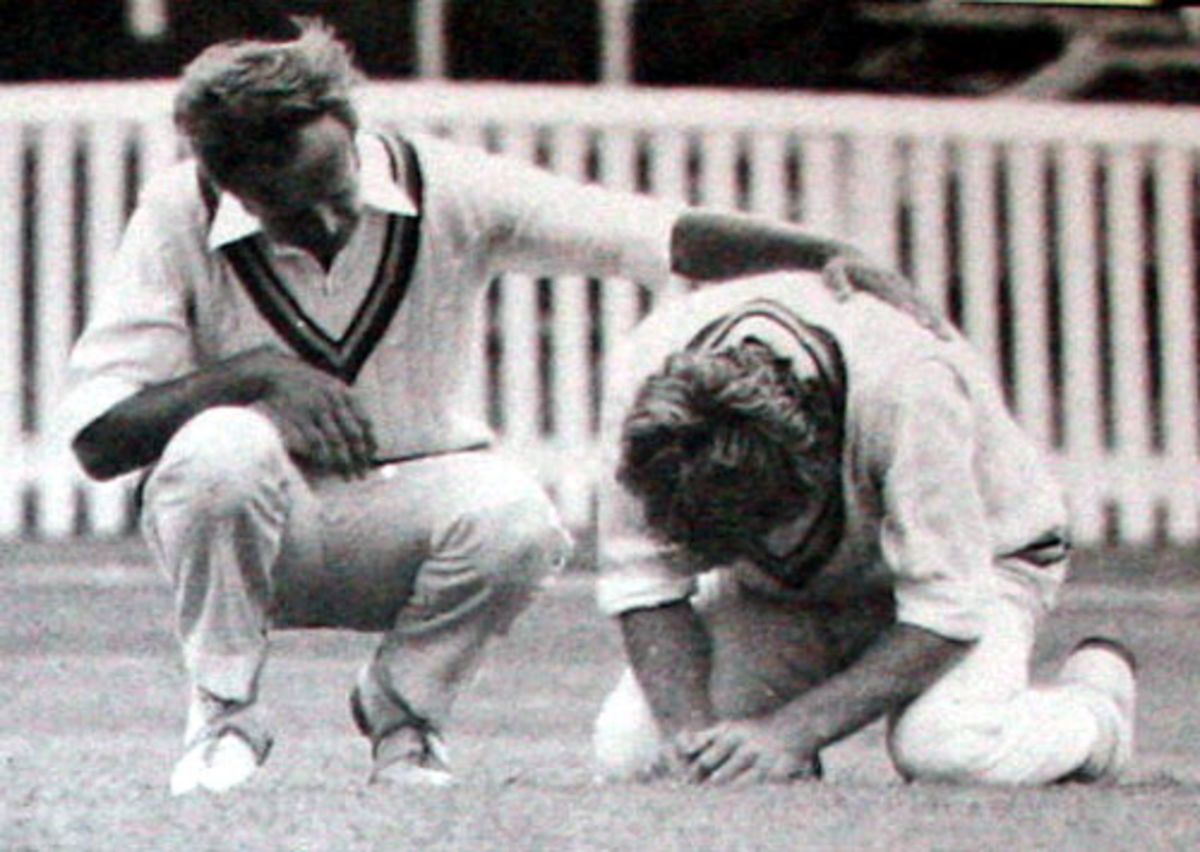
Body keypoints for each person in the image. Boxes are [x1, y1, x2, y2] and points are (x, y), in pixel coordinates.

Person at [60, 20, 922, 796]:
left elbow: (645, 234)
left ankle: (404, 717)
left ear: (351, 128)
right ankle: (222, 716)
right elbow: (100, 442)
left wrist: (821, 250)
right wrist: (252, 377)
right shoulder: (177, 213)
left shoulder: (445, 183)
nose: (331, 219)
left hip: (412, 516)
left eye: (338, 185)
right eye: (296, 208)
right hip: (255, 524)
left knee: (519, 517)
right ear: (230, 185)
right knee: (218, 446)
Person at [591, 271, 1137, 786]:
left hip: (989, 560)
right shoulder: (647, 385)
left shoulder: (908, 386)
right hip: (777, 593)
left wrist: (790, 733)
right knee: (635, 751)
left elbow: (948, 605)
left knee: (945, 747)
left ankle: (1097, 710)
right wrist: (693, 740)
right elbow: (644, 583)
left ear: (816, 455)